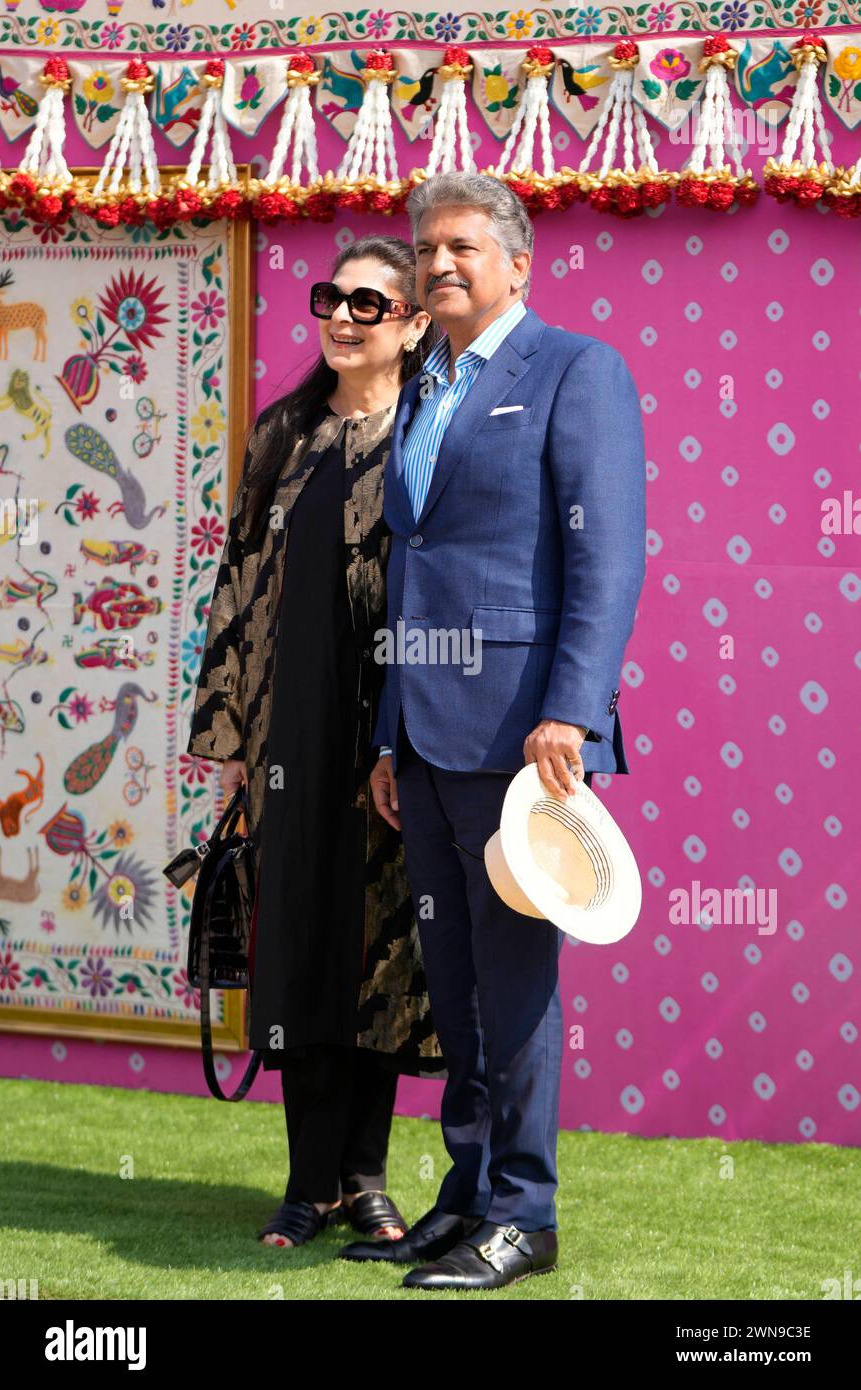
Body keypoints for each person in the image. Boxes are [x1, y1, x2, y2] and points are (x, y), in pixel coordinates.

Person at [342, 172, 646, 1289]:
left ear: (518, 261)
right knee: (453, 981)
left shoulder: (575, 370)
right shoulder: (422, 380)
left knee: (513, 985)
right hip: (421, 736)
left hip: (524, 738)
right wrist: (386, 733)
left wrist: (570, 707)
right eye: (425, 251)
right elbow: (412, 573)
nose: (438, 265)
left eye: (462, 246)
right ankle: (465, 1194)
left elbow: (605, 556)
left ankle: (526, 1211)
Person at [187, 235, 444, 1250]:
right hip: (287, 729)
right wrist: (233, 746)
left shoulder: (430, 434)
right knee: (295, 945)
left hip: (390, 732)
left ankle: (367, 1179)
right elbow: (235, 592)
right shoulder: (282, 434)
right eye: (331, 298)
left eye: (369, 304)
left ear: (413, 326)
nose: (341, 316)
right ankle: (306, 1183)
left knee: (380, 954)